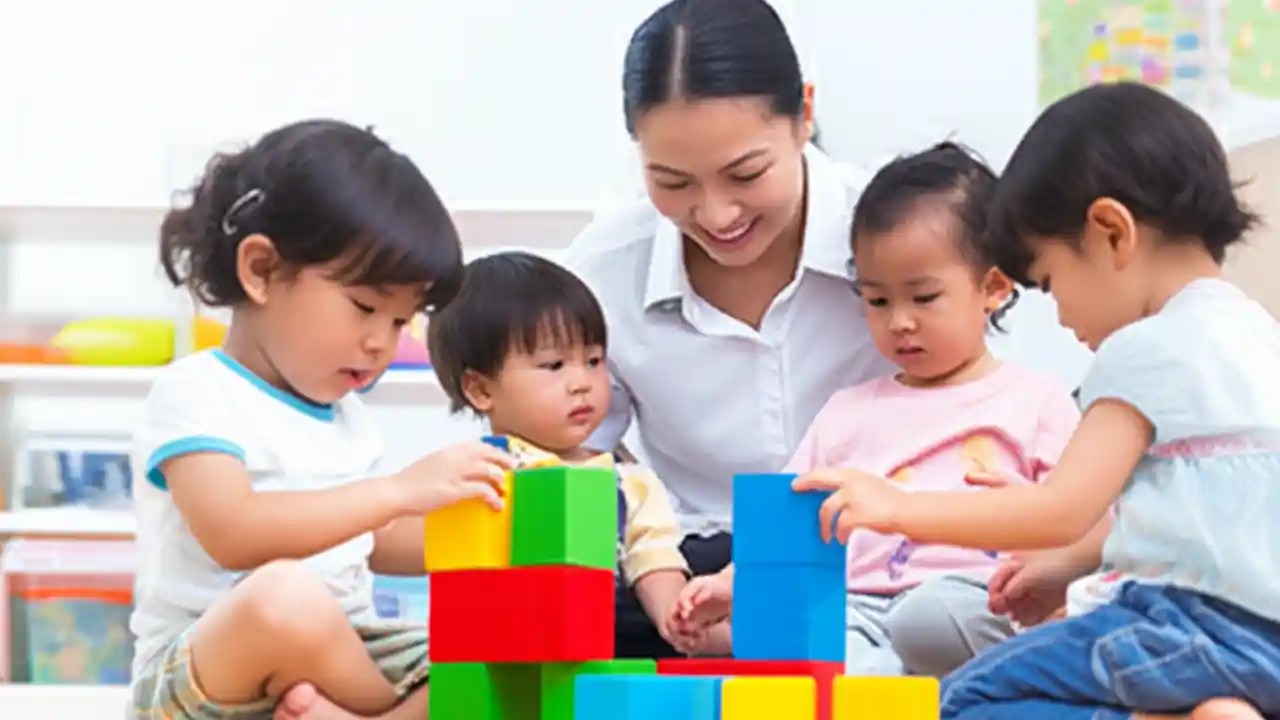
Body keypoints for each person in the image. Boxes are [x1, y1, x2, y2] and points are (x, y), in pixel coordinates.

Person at [563, 0, 1089, 659]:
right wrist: (669, 589)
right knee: (570, 633)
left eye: (745, 173)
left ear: (804, 115)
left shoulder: (900, 234)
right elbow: (569, 453)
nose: (716, 212)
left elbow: (1068, 491)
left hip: (912, 561)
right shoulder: (605, 271)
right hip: (710, 561)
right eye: (671, 181)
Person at [793, 83, 1279, 719]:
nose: (1062, 314)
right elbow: (1193, 522)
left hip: (1183, 628)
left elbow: (1061, 511)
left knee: (965, 700)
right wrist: (1065, 567)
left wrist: (897, 508)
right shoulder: (1258, 335)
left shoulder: (1146, 351)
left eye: (1050, 282)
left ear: (1111, 232)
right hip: (1266, 641)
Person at [130, 119, 516, 720]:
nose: (380, 343)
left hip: (348, 654)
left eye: (399, 321)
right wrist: (397, 491)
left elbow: (375, 542)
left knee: (508, 656)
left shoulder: (347, 419)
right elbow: (235, 532)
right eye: (365, 307)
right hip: (207, 668)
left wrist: (497, 526)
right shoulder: (196, 391)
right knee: (282, 597)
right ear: (260, 270)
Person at [664, 142, 1083, 674]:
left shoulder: (1035, 400)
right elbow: (784, 518)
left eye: (924, 298)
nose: (900, 322)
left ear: (994, 287)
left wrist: (1043, 557)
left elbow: (1084, 522)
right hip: (860, 607)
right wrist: (728, 584)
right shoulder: (848, 410)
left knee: (931, 618)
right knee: (826, 647)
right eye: (878, 301)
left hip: (977, 598)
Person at [426, 251, 733, 658]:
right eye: (554, 365)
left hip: (601, 632)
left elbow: (652, 554)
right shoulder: (479, 469)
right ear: (481, 390)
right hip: (515, 637)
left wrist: (673, 617)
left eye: (593, 361)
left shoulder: (626, 478)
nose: (582, 383)